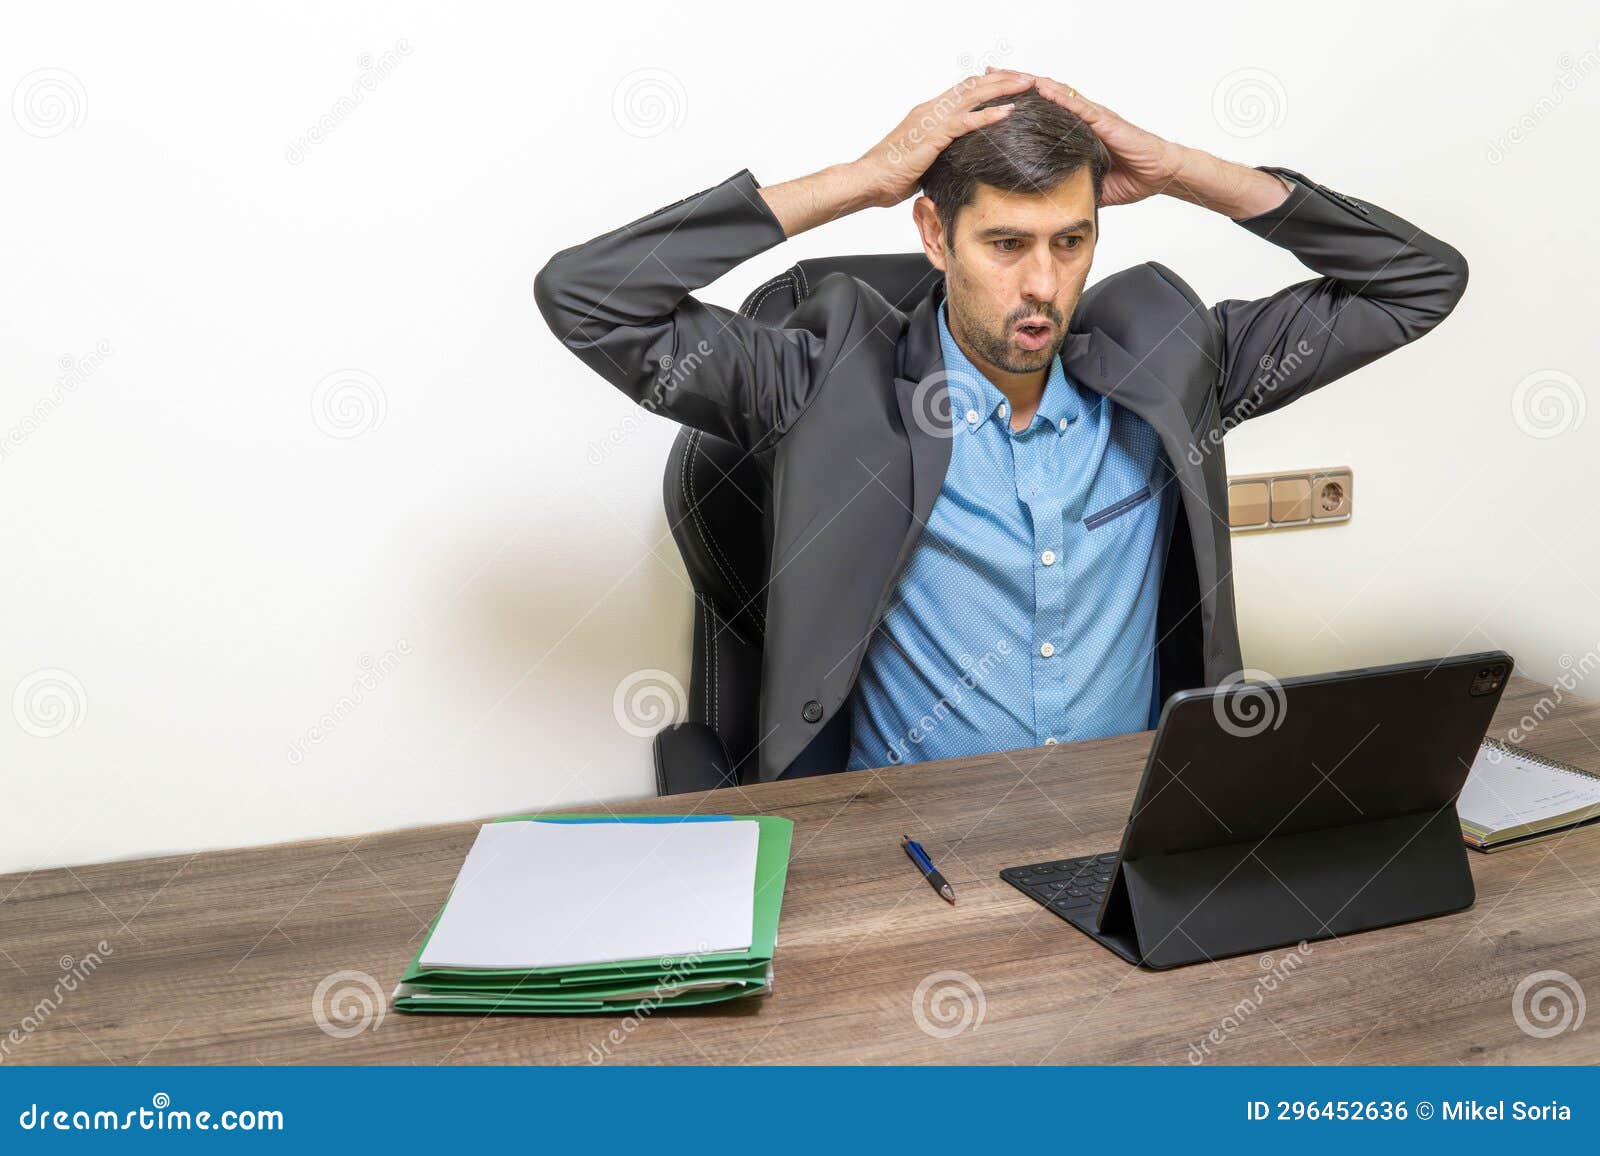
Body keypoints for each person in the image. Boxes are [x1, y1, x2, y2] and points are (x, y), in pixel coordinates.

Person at [534, 69, 1468, 784]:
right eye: (1006, 245)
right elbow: (589, 299)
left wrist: (1183, 171)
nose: (1043, 285)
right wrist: (860, 180)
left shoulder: (1174, 368)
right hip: (906, 853)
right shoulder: (825, 387)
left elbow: (1417, 282)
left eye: (1071, 242)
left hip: (1130, 826)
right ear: (935, 235)